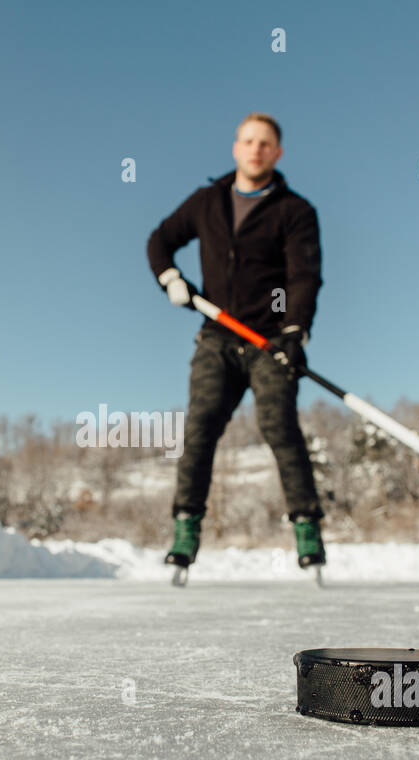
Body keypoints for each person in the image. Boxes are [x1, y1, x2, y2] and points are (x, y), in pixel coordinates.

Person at [147, 112, 326, 572]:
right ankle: (185, 528)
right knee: (200, 428)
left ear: (278, 152)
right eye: (248, 141)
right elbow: (160, 240)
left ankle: (307, 529)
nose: (255, 149)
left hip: (270, 341)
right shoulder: (208, 202)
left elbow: (303, 276)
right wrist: (170, 278)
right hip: (217, 337)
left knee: (279, 427)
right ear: (235, 147)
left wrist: (294, 330)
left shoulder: (295, 211)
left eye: (265, 143)